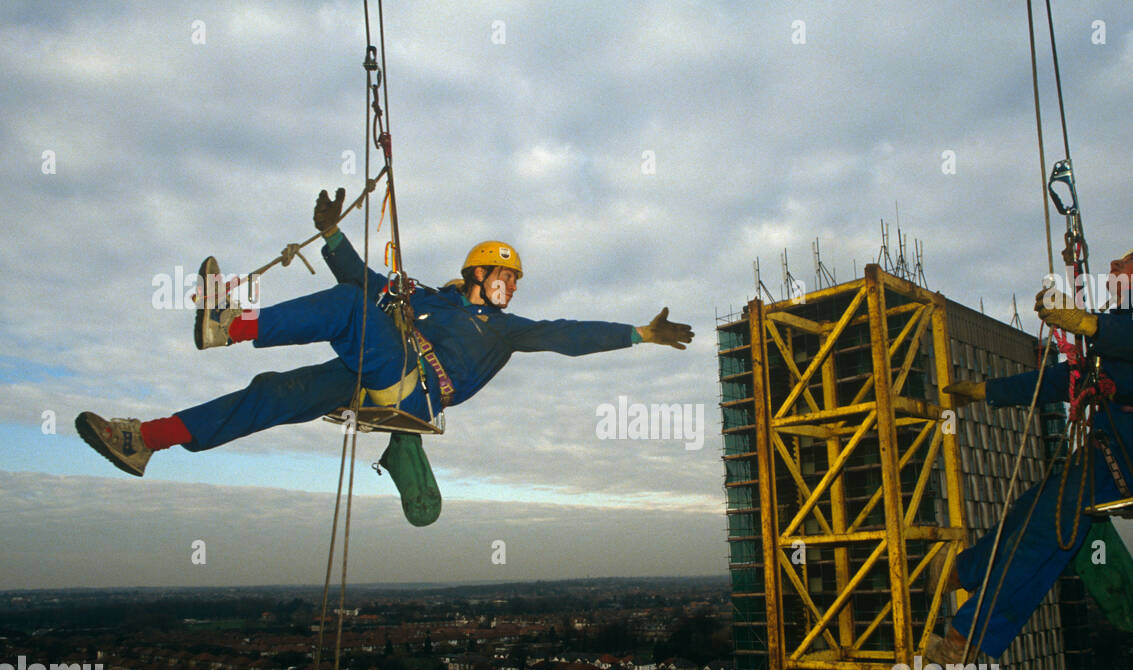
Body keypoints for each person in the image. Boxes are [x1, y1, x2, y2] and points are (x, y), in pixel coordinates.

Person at [76, 188, 694, 519]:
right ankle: (146, 440)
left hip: (412, 386)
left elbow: (567, 334)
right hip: (369, 377)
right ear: (476, 274)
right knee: (271, 391)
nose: (510, 288)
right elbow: (364, 279)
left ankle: (226, 326)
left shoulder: (502, 331)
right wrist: (332, 235)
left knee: (348, 311)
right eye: (501, 278)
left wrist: (637, 333)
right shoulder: (425, 298)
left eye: (513, 282)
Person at [928, 248, 1133, 663]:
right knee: (1029, 512)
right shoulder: (1122, 336)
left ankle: (966, 641)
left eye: (1129, 261)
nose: (1114, 265)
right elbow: (1067, 380)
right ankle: (961, 572)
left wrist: (1090, 324)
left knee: (1046, 531)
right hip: (1123, 446)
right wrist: (990, 392)